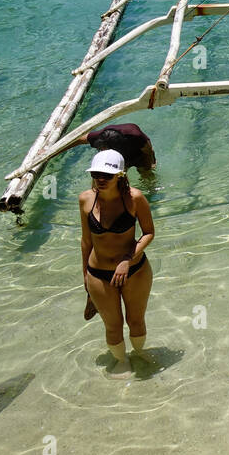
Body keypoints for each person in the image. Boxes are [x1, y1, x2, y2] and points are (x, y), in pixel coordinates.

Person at [79, 150, 154, 374]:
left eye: (107, 175)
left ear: (120, 175)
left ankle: (140, 355)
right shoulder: (85, 199)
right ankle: (122, 363)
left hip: (135, 270)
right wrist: (85, 276)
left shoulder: (135, 198)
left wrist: (127, 259)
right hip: (98, 273)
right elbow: (85, 241)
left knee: (136, 320)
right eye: (96, 174)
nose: (100, 179)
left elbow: (149, 232)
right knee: (112, 326)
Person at [74, 123, 156, 172]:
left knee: (146, 174)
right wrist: (60, 149)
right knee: (118, 177)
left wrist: (152, 162)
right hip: (123, 157)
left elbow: (149, 151)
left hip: (139, 155)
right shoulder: (99, 136)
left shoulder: (135, 135)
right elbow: (77, 140)